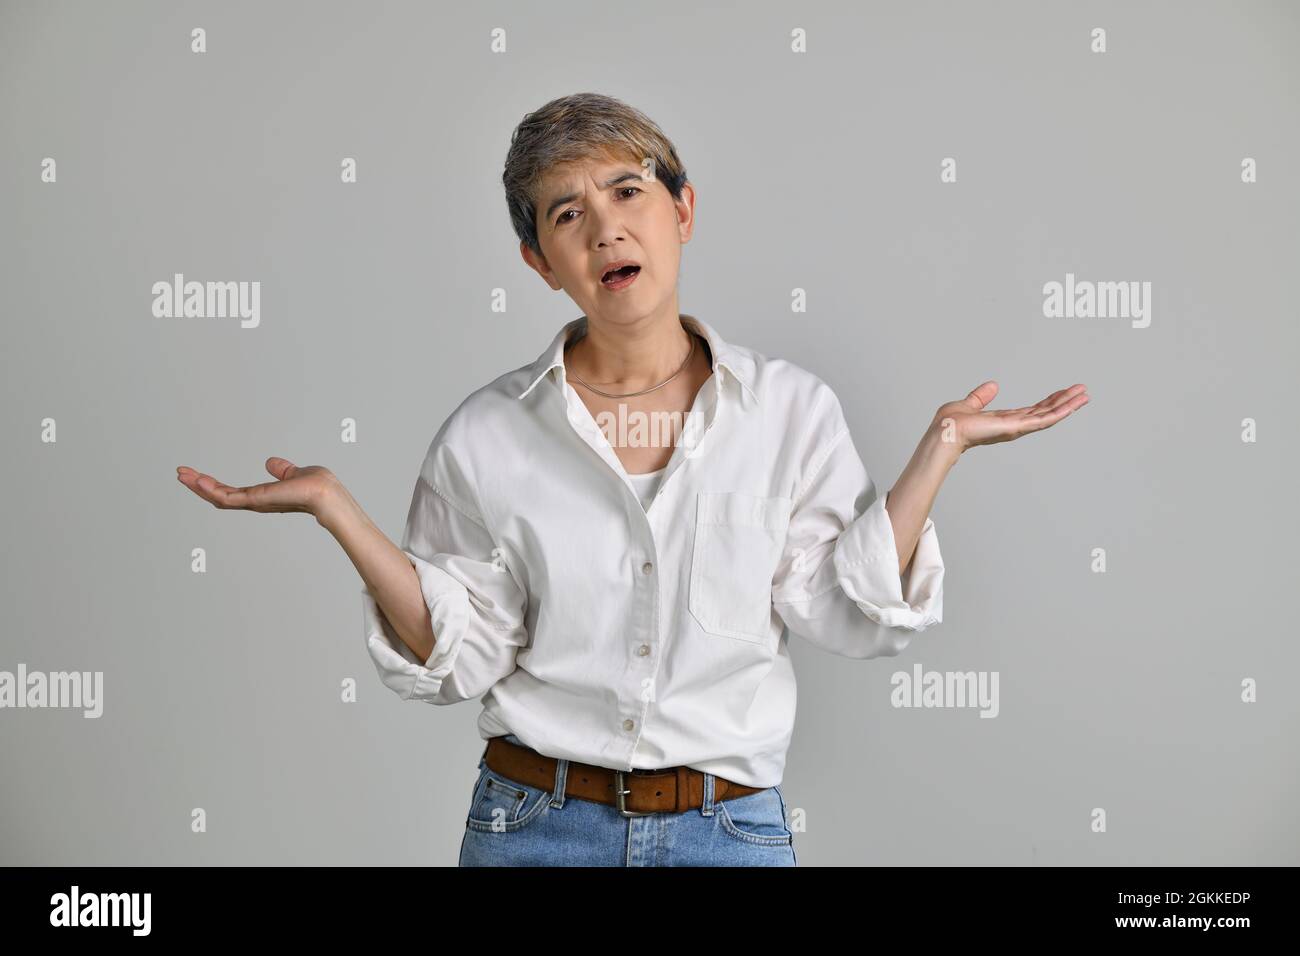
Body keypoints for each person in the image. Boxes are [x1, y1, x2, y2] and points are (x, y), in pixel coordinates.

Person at [176, 92, 1088, 867]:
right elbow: (465, 653)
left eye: (627, 190)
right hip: (532, 827)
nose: (605, 225)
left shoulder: (790, 412)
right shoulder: (486, 435)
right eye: (566, 213)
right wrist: (339, 511)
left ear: (682, 210)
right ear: (540, 262)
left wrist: (939, 449)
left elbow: (842, 608)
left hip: (728, 832)